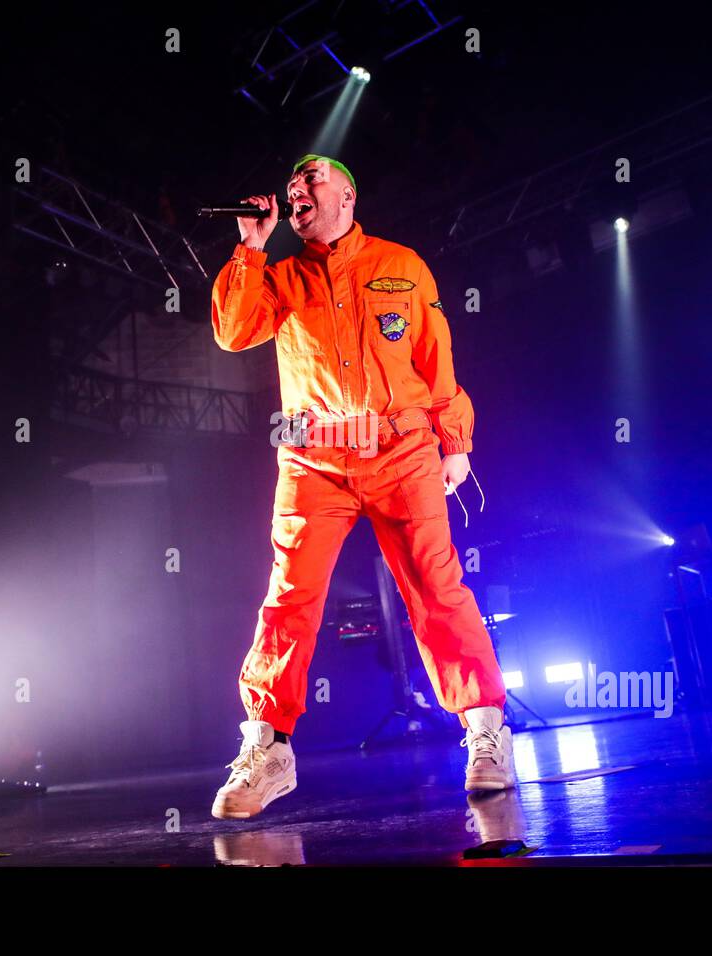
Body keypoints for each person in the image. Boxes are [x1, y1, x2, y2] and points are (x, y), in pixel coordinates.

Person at [208, 154, 513, 819]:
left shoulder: (401, 264)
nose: (295, 191)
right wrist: (249, 249)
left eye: (309, 182)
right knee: (289, 597)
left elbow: (435, 353)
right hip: (313, 454)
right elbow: (233, 332)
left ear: (346, 194)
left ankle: (486, 732)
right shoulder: (280, 274)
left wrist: (454, 439)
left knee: (437, 585)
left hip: (401, 449)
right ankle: (267, 748)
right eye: (291, 188)